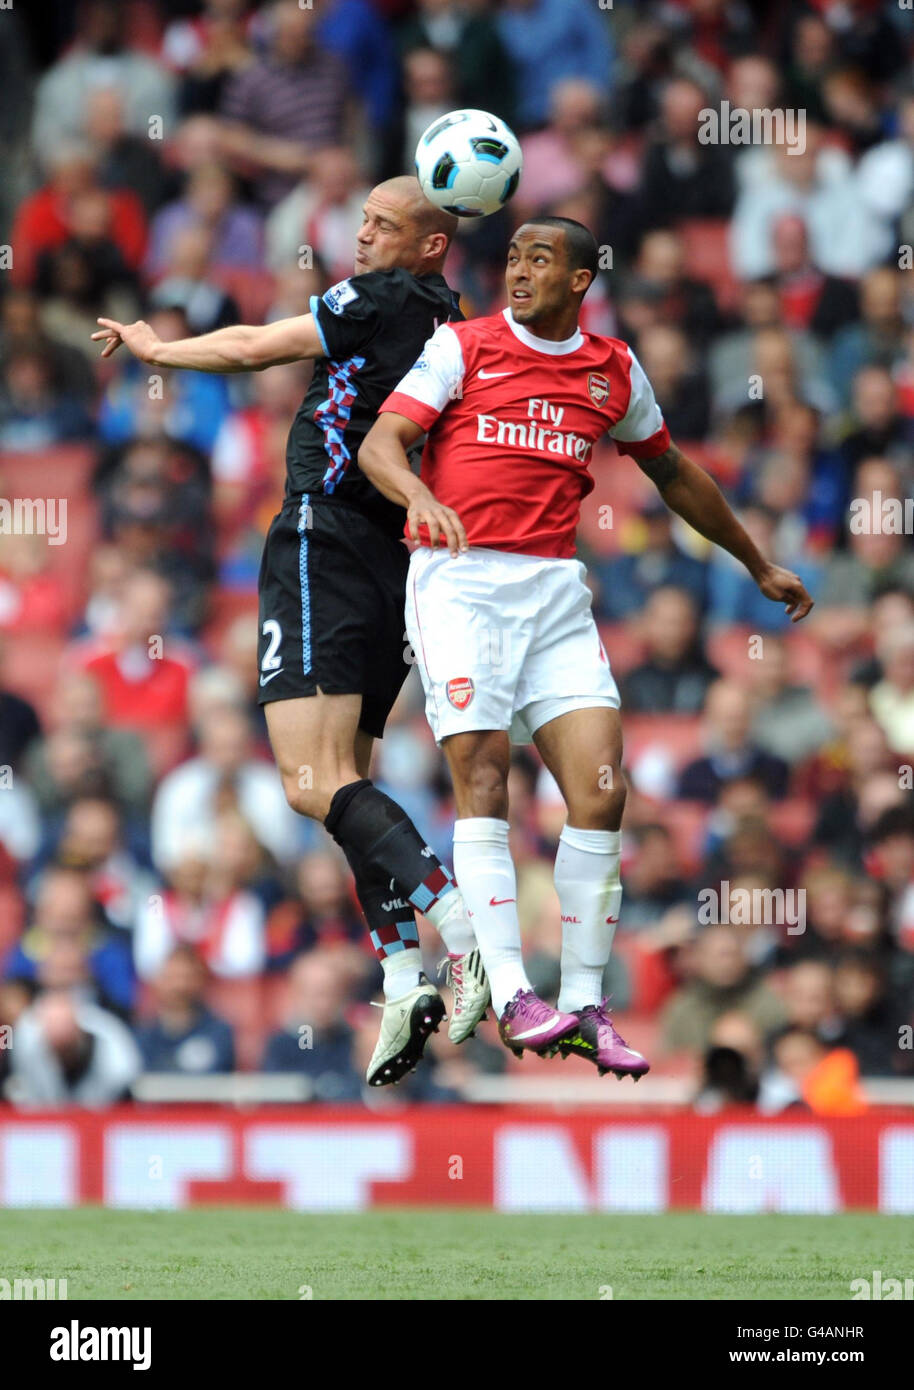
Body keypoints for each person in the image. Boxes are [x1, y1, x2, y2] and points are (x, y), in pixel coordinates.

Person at [360, 216, 813, 1077]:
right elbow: (381, 444)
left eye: (540, 259)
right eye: (513, 257)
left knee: (604, 792)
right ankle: (508, 989)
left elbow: (671, 471)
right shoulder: (462, 347)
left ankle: (583, 1005)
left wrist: (756, 562)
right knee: (484, 777)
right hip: (460, 582)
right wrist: (418, 495)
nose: (519, 271)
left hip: (554, 592)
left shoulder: (613, 369)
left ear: (580, 280)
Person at [92, 176, 489, 1086]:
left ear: (430, 243)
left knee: (310, 785)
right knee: (348, 781)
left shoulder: (379, 295)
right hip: (391, 558)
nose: (362, 237)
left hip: (323, 536)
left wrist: (158, 348)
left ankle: (464, 934)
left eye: (383, 225)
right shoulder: (455, 322)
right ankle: (403, 976)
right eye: (362, 221)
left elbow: (253, 347)